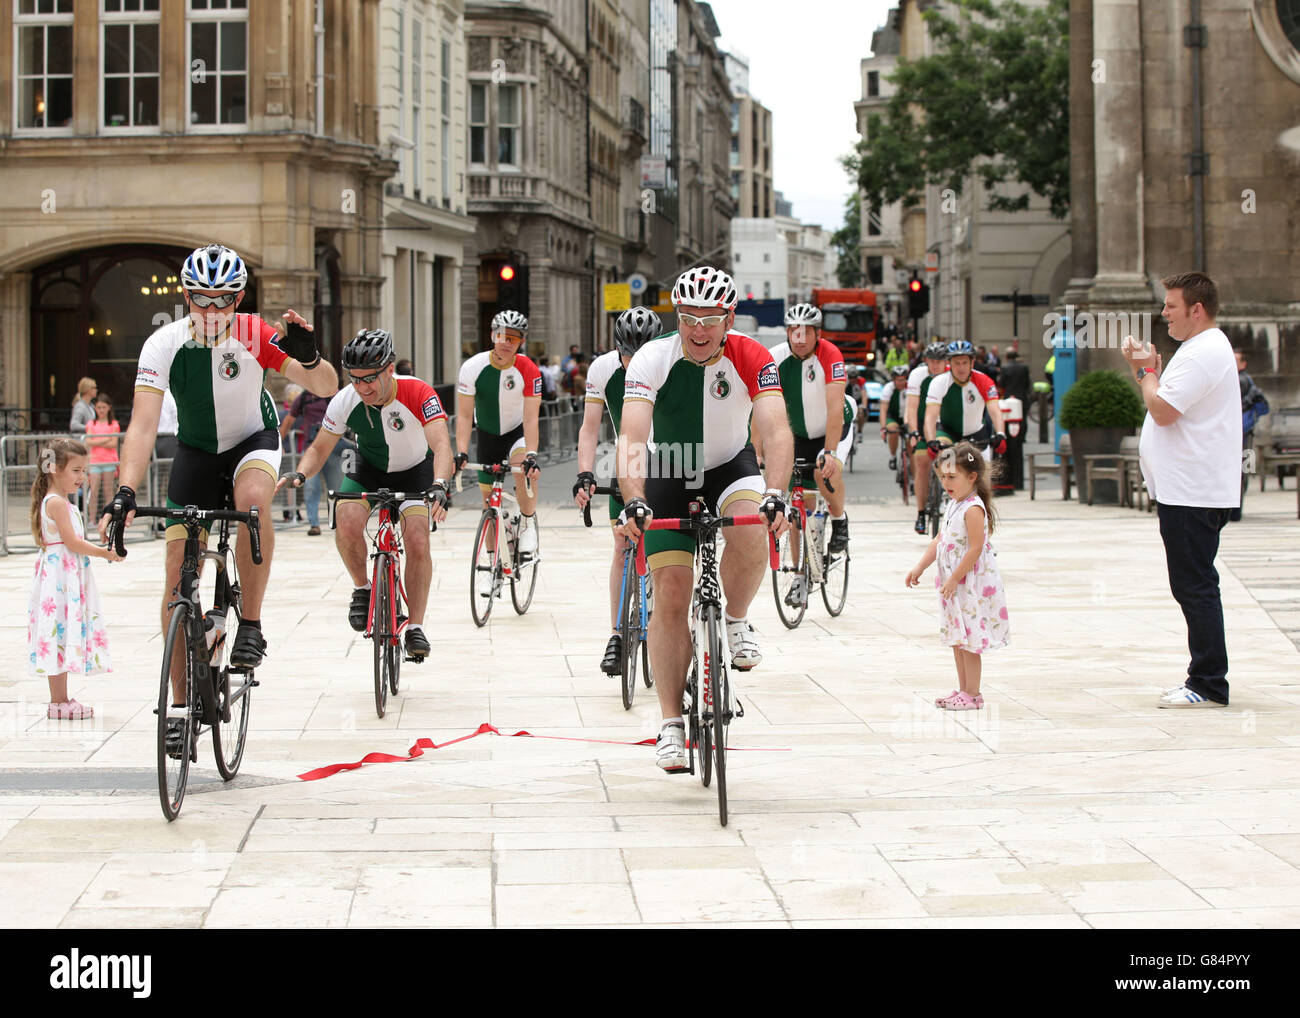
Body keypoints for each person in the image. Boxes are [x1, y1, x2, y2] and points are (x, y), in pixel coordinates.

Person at [101, 243, 338, 747]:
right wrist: (123, 491)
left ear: (239, 299)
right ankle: (180, 710)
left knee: (252, 503)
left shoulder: (255, 333)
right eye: (201, 300)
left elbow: (328, 384)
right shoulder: (163, 344)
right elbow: (142, 428)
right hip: (196, 452)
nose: (212, 312)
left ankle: (249, 622)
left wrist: (309, 355)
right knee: (175, 580)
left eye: (223, 300)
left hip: (253, 440)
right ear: (186, 296)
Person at [616, 266, 793, 773]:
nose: (698, 329)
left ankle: (733, 618)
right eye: (688, 317)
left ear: (729, 317)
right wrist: (633, 498)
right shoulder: (653, 358)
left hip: (728, 465)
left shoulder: (752, 355)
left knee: (755, 522)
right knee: (670, 592)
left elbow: (776, 429)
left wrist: (777, 493)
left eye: (709, 319)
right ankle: (671, 724)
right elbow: (630, 436)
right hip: (667, 469)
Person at [279, 329, 451, 659]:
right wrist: (299, 473)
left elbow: (441, 445)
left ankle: (415, 626)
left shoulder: (418, 392)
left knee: (416, 539)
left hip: (414, 469)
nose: (363, 388)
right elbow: (319, 448)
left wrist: (440, 484)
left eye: (370, 379)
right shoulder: (347, 399)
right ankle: (362, 587)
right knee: (345, 518)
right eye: (355, 379)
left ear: (389, 369)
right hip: (368, 466)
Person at [1123, 272, 1240, 708]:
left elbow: (1165, 409)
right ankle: (1206, 675)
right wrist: (1151, 374)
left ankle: (1208, 681)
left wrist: (1144, 372)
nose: (1163, 313)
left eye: (1171, 306)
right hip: (1188, 491)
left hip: (1194, 493)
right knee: (1193, 584)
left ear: (1196, 309)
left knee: (1195, 586)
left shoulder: (1204, 351)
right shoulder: (1200, 349)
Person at [573, 306, 663, 674]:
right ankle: (616, 634)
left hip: (675, 458)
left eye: (644, 353)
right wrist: (585, 473)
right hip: (629, 458)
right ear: (617, 349)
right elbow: (590, 429)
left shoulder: (673, 363)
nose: (636, 362)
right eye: (629, 354)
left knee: (670, 553)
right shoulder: (602, 369)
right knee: (621, 543)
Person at [905, 442, 1009, 710]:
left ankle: (973, 694)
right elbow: (939, 540)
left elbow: (975, 549)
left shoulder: (973, 509)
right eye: (943, 477)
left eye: (952, 477)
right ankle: (963, 690)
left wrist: (954, 579)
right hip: (953, 585)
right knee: (957, 637)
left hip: (968, 585)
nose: (946, 483)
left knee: (970, 639)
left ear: (971, 477)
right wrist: (920, 566)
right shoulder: (953, 505)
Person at [29, 439, 121, 720]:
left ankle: (61, 698)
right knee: (57, 630)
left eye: (84, 471)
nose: (82, 477)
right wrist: (105, 552)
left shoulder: (62, 502)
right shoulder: (55, 502)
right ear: (55, 469)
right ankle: (58, 700)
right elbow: (72, 541)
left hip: (66, 574)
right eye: (76, 471)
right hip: (60, 578)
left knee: (63, 630)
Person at [763, 302, 851, 552]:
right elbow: (761, 406)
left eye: (806, 332)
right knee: (799, 505)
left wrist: (830, 452)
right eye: (794, 331)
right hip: (799, 434)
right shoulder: (775, 357)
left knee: (823, 471)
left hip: (834, 427)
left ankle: (839, 520)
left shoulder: (830, 354)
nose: (799, 339)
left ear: (818, 334)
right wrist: (757, 452)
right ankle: (799, 574)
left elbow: (835, 408)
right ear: (788, 333)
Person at [455, 310, 543, 555]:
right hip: (487, 437)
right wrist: (461, 451)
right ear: (493, 335)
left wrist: (532, 454)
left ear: (521, 342)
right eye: (502, 336)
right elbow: (463, 416)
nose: (506, 342)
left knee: (523, 470)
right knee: (488, 506)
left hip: (516, 434)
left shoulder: (528, 369)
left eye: (513, 339)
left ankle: (526, 524)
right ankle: (491, 564)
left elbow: (531, 417)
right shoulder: (473, 367)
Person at [923, 339, 1007, 484]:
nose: (961, 368)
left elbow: (995, 411)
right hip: (947, 431)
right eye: (956, 363)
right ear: (950, 363)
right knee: (945, 459)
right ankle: (945, 494)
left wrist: (1000, 434)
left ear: (972, 363)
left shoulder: (984, 381)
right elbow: (930, 416)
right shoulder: (939, 382)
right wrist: (931, 441)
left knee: (983, 483)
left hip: (976, 432)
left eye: (964, 363)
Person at [279, 384, 342, 536]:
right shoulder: (304, 397)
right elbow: (289, 419)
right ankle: (314, 524)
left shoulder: (335, 395)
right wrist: (278, 443)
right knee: (311, 487)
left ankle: (339, 523)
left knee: (336, 488)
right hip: (311, 446)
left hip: (332, 447)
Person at [906, 342, 950, 533]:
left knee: (949, 458)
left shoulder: (952, 375)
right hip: (924, 423)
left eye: (939, 361)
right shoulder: (918, 375)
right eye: (931, 361)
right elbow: (912, 407)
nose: (935, 365)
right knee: (921, 462)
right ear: (925, 361)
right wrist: (914, 431)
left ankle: (948, 497)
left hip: (945, 424)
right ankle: (921, 512)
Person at [83, 393, 121, 526]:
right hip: (95, 461)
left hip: (109, 461)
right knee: (93, 491)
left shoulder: (114, 424)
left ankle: (108, 518)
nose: (101, 410)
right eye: (99, 407)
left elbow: (113, 443)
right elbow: (88, 441)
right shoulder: (91, 424)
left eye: (104, 407)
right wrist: (106, 439)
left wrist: (97, 440)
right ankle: (92, 520)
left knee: (108, 492)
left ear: (109, 408)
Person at [879, 364, 910, 472]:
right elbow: (883, 409)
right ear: (893, 380)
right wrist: (883, 427)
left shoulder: (910, 387)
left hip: (907, 416)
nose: (901, 382)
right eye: (898, 380)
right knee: (893, 430)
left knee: (910, 436)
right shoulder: (889, 388)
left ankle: (910, 460)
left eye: (903, 380)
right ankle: (893, 456)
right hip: (893, 416)